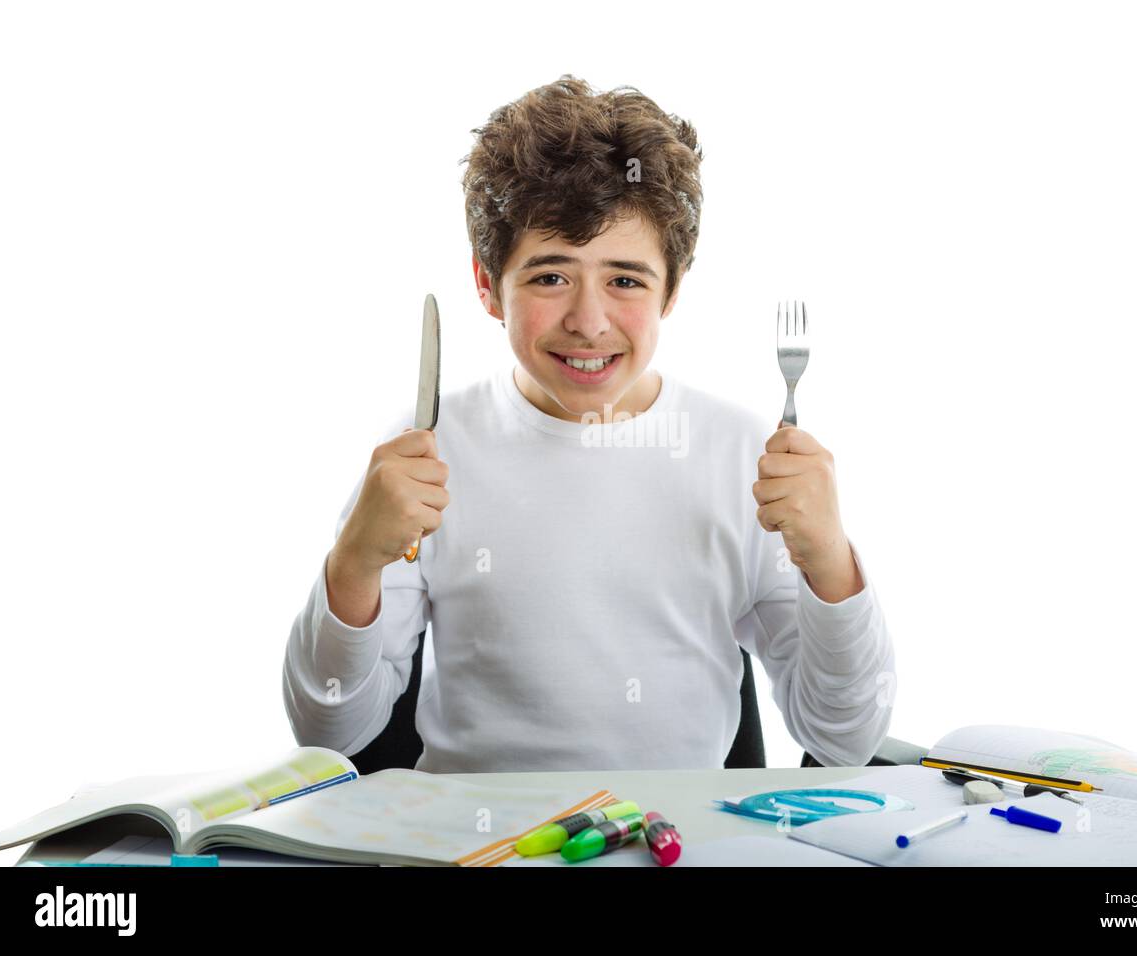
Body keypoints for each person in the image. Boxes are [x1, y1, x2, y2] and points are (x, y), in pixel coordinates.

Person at [282, 75, 896, 773]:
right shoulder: (425, 449)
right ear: (488, 285)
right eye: (550, 277)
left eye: (625, 279)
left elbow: (846, 738)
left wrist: (831, 564)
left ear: (673, 290)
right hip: (474, 841)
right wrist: (355, 561)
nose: (588, 320)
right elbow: (330, 729)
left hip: (678, 839)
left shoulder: (746, 457)